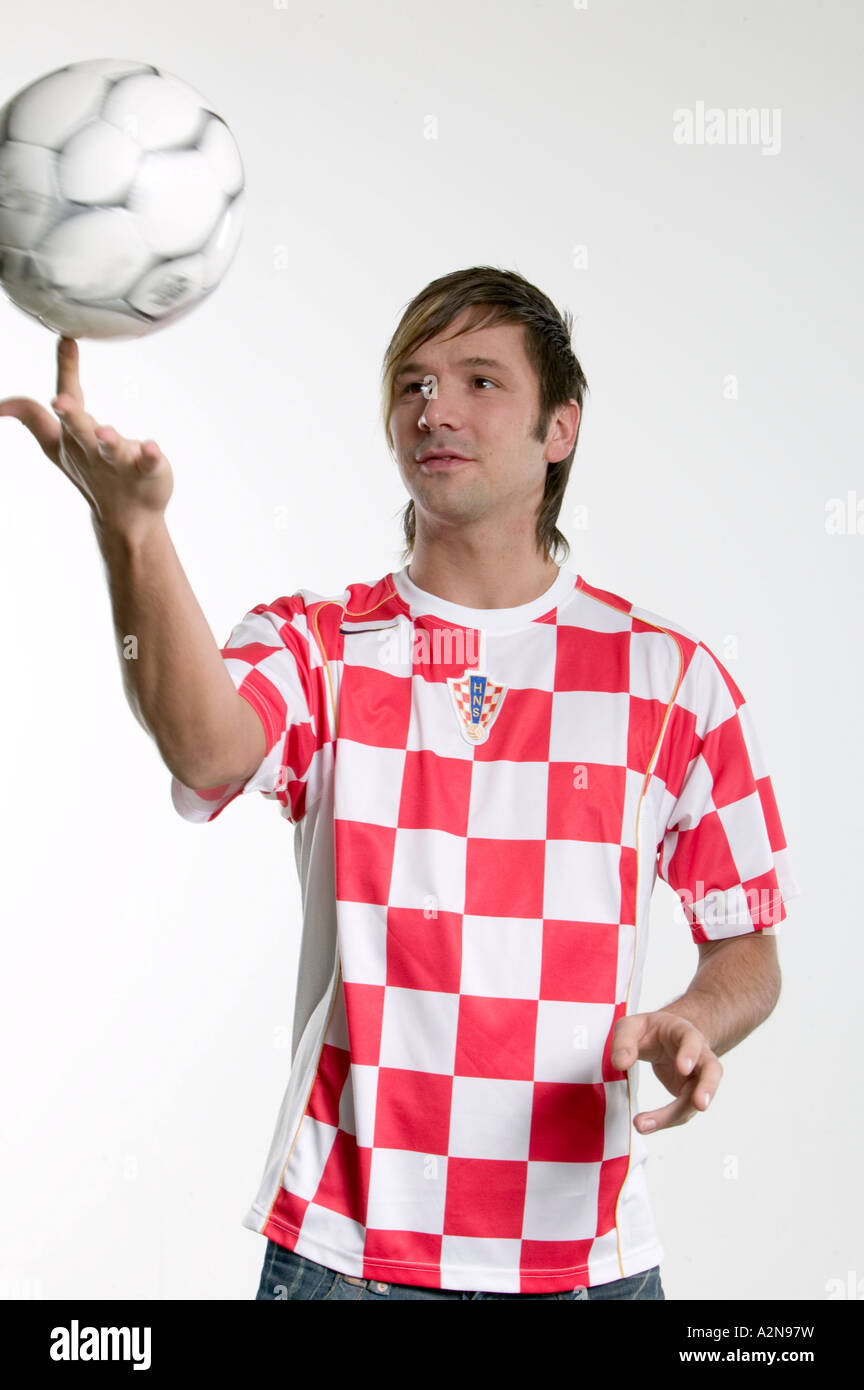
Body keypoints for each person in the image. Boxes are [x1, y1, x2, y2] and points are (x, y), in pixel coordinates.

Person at [0, 266, 801, 1302]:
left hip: (586, 1257)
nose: (436, 408)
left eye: (479, 381)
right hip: (347, 1254)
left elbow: (749, 947)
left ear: (561, 429)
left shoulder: (672, 676)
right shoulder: (320, 641)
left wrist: (692, 1017)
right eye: (413, 383)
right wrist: (133, 530)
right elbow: (208, 750)